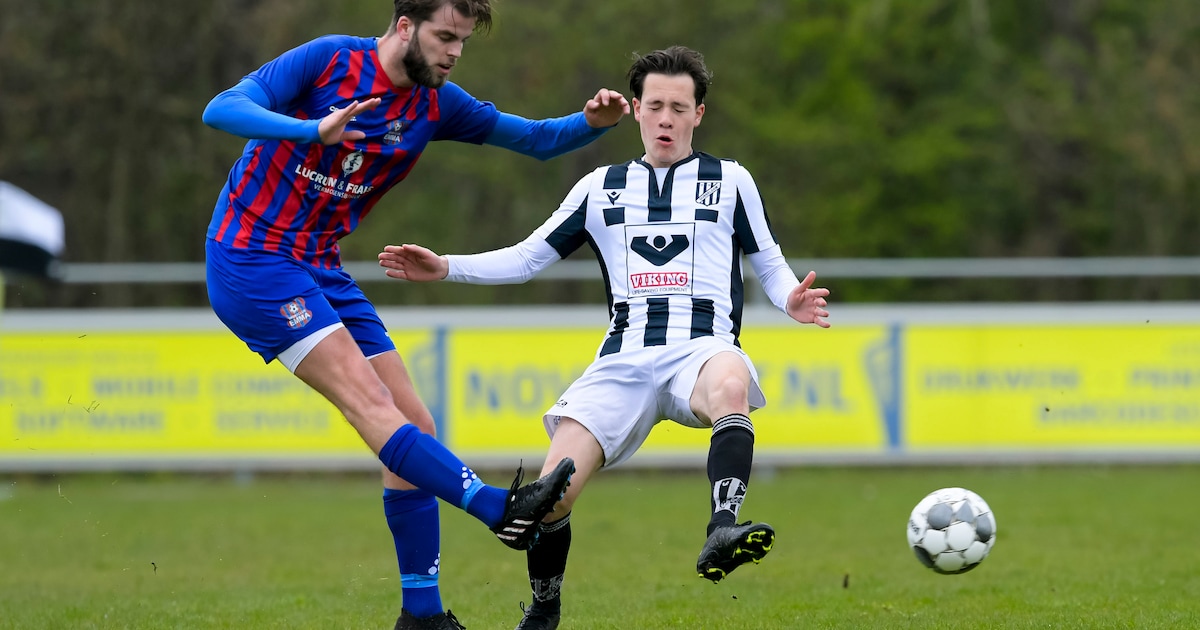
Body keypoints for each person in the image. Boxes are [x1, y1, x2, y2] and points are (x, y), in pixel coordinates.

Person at [201, 2, 630, 629]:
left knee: (413, 421)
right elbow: (221, 109)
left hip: (317, 264)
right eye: (444, 37)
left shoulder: (436, 104)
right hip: (250, 259)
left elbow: (536, 141)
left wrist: (591, 123)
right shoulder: (329, 60)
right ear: (405, 26)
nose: (454, 52)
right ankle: (494, 508)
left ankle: (421, 616)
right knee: (373, 409)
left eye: (462, 42)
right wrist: (310, 131)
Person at [377, 45, 832, 630]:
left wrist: (790, 295)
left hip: (702, 347)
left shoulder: (731, 180)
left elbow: (768, 263)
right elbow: (525, 258)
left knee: (730, 385)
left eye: (680, 107)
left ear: (699, 115)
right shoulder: (600, 187)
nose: (666, 118)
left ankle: (723, 525)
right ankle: (544, 609)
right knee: (551, 494)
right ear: (636, 110)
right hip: (623, 360)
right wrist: (446, 266)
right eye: (656, 105)